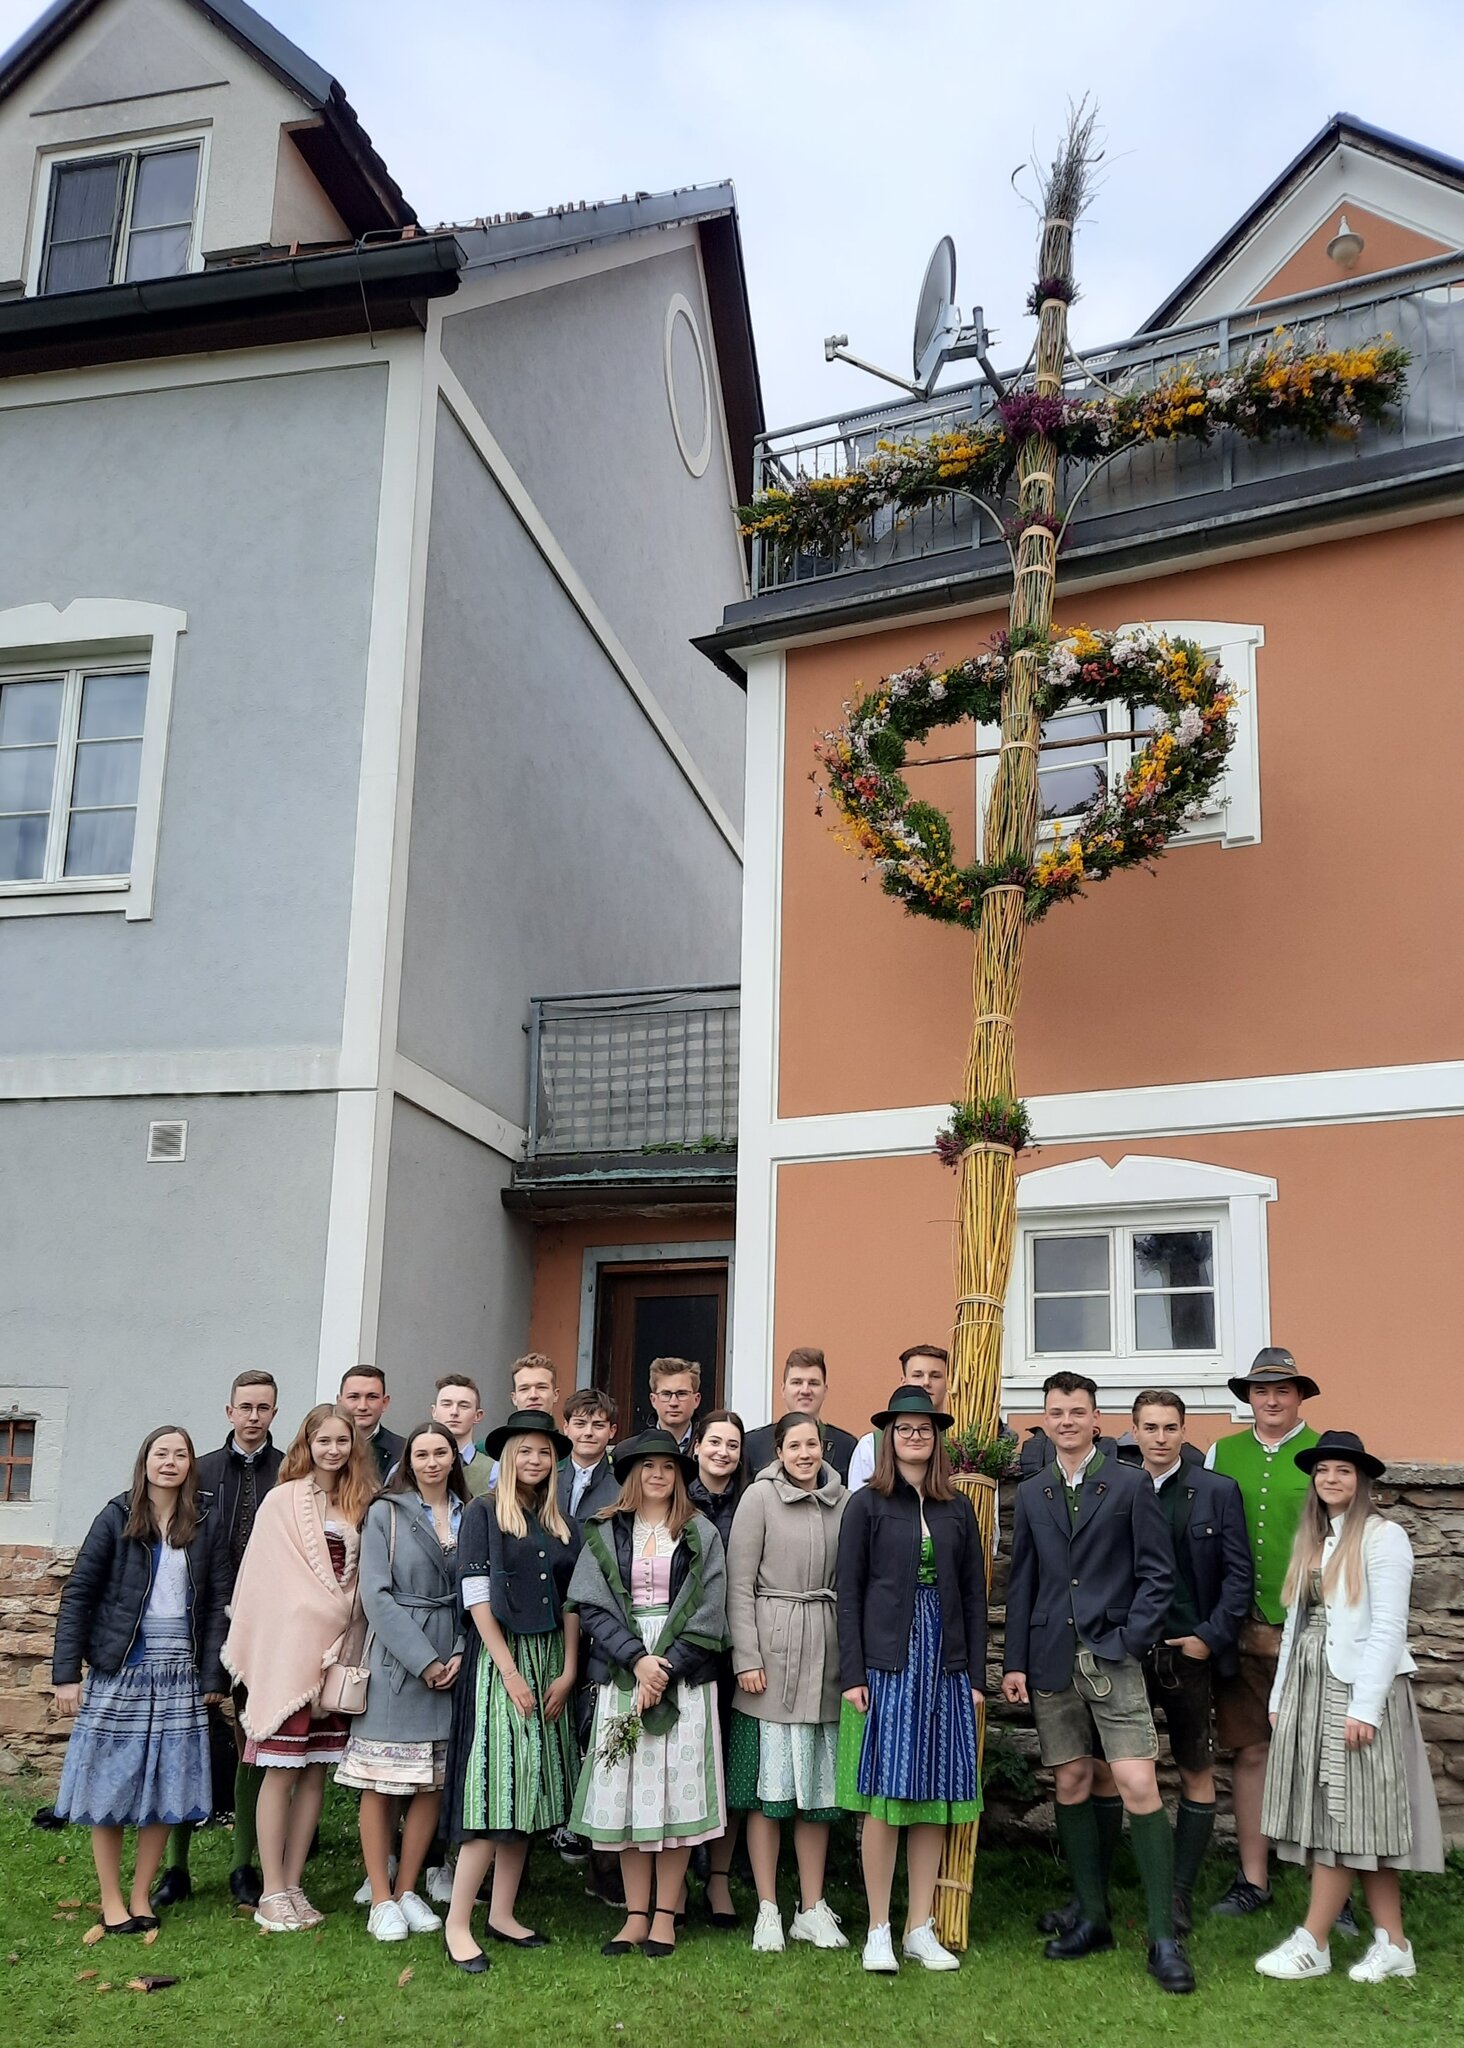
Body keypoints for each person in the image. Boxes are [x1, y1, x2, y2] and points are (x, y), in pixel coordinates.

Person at [1002, 1372, 1194, 1995]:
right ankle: (1092, 1916)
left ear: (1095, 1419)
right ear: (1046, 1419)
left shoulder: (1131, 1484)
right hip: (1054, 1657)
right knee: (1072, 1778)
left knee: (1138, 1781)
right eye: (1055, 1412)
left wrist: (1132, 1639)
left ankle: (1164, 1937)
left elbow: (1157, 1575)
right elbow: (1024, 1580)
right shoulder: (1032, 1493)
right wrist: (1016, 1662)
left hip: (1112, 1654)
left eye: (1077, 1412)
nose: (1065, 1421)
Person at [1255, 1432, 1444, 1983]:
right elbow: (1296, 1626)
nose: (1331, 1479)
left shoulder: (1384, 1538)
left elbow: (1387, 1627)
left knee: (1345, 1813)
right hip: (1311, 1687)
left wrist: (1364, 1707)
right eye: (1323, 1471)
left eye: (1343, 1470)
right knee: (1353, 1816)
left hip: (1360, 1689)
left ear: (1362, 1480)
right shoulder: (1316, 1538)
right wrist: (1279, 1696)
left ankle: (1313, 1942)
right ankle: (1394, 1943)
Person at [51, 1427, 229, 1936]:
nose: (169, 1462)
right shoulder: (115, 1516)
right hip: (122, 1668)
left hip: (181, 1673)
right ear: (145, 1460)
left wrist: (212, 1673)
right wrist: (67, 1675)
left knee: (167, 1786)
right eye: (160, 1453)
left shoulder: (204, 1522)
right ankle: (111, 1900)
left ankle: (140, 1894)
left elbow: (218, 1600)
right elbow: (79, 1595)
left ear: (190, 1464)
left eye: (180, 1454)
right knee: (108, 1785)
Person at [835, 1386, 986, 1975]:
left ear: (936, 1437)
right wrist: (853, 1673)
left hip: (944, 1665)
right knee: (886, 1797)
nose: (915, 1436)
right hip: (888, 1664)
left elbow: (974, 1596)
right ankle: (877, 1927)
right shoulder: (866, 1506)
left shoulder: (957, 1509)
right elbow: (847, 1594)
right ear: (889, 1437)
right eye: (904, 1429)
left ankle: (919, 1926)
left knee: (935, 1798)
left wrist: (974, 1677)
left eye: (924, 1428)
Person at [566, 1429, 729, 1959]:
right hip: (624, 1669)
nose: (658, 1474)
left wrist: (666, 1670)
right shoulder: (606, 1532)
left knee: (674, 1793)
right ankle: (635, 1914)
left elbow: (710, 1609)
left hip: (684, 1674)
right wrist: (637, 1661)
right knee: (630, 1796)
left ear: (679, 1475)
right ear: (632, 1474)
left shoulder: (699, 1531)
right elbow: (591, 1605)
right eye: (647, 1466)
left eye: (667, 1466)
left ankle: (666, 1915)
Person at [222, 1402, 376, 1932]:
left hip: (341, 1649)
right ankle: (269, 1891)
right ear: (306, 1444)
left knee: (314, 1773)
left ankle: (293, 1883)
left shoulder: (362, 1502)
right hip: (291, 1653)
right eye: (323, 1441)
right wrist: (321, 1610)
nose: (333, 1450)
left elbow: (363, 1582)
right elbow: (268, 1583)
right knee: (280, 1771)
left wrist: (342, 1620)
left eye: (342, 1441)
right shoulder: (281, 1501)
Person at [442, 1409, 582, 1969]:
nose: (535, 1460)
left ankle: (501, 1914)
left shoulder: (559, 1520)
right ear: (508, 1457)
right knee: (494, 1788)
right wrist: (508, 1670)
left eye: (544, 1452)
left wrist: (569, 1670)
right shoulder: (482, 1513)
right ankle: (457, 1923)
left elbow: (574, 1600)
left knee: (530, 1789)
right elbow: (476, 1596)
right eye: (525, 1451)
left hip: (551, 1656)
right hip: (502, 1659)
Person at [154, 1369, 283, 1910]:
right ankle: (175, 1867)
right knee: (185, 1741)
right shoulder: (199, 1470)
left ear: (275, 1413)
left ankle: (241, 1865)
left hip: (267, 1625)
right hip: (200, 1620)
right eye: (244, 1407)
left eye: (263, 1408)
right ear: (229, 1411)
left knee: (254, 1743)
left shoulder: (289, 1471)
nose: (253, 1416)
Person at [1125, 1390, 1253, 1930]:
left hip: (1189, 1653)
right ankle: (1117, 1884)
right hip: (1128, 1652)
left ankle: (1179, 1890)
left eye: (1169, 1427)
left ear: (1184, 1430)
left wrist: (1209, 1636)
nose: (1159, 1438)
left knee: (1195, 1767)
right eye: (1149, 1427)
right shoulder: (1117, 1487)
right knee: (1119, 1769)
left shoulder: (1216, 1491)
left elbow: (1238, 1576)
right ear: (1133, 1431)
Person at [338, 1422, 468, 1943]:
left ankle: (410, 1887)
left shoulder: (470, 1511)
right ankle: (381, 1895)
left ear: (454, 1458)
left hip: (454, 1653)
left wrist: (459, 1651)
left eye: (441, 1453)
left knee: (431, 1783)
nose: (432, 1462)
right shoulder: (385, 1512)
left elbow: (477, 1586)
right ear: (408, 1461)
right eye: (422, 1454)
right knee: (382, 1781)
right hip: (399, 1659)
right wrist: (424, 1659)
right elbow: (377, 1596)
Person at [1204, 1346, 1322, 1916]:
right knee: (1250, 1751)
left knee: (1319, 1756)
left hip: (1311, 1629)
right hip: (1240, 1630)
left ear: (1299, 1395)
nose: (1271, 1400)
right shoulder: (1221, 1453)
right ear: (1247, 1397)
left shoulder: (1325, 1454)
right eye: (1259, 1391)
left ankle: (1333, 1885)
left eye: (1282, 1390)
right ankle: (1253, 1878)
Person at [726, 1412, 849, 1953]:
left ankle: (812, 1907)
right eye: (794, 1445)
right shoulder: (759, 1499)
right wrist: (747, 1657)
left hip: (825, 1652)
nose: (805, 1453)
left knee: (817, 1793)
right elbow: (738, 1583)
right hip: (771, 1659)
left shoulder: (844, 1503)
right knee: (767, 1794)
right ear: (778, 1450)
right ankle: (769, 1909)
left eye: (813, 1444)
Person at [688, 1409, 747, 1926]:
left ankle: (720, 1882)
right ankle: (677, 1878)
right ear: (698, 1446)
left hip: (737, 1651)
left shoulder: (752, 1500)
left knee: (726, 1762)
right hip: (685, 1648)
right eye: (715, 1442)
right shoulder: (677, 1500)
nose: (723, 1452)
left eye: (732, 1445)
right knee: (686, 1762)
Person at [742, 1349, 858, 1484]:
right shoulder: (752, 1444)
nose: (805, 1390)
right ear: (783, 1390)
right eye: (797, 1382)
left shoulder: (847, 1446)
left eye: (813, 1383)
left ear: (825, 1390)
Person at [846, 1344, 949, 1493]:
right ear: (903, 1382)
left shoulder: (961, 1441)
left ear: (948, 1383)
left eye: (935, 1376)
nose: (926, 1382)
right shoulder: (871, 1445)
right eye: (917, 1375)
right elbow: (857, 1502)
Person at [557, 1387, 620, 1526]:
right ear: (566, 1428)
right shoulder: (547, 1480)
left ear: (612, 1431)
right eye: (580, 1424)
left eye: (598, 1425)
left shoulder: (623, 1487)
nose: (588, 1432)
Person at [340, 1366, 404, 1485]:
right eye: (354, 1397)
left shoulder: (403, 1451)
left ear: (385, 1403)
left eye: (372, 1397)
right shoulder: (320, 1449)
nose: (362, 1406)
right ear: (339, 1402)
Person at [430, 1375, 491, 1498]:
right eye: (446, 1404)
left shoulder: (495, 1471)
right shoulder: (408, 1466)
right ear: (434, 1412)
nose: (454, 1412)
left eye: (464, 1406)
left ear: (478, 1415)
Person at [647, 1356, 701, 1453]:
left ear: (696, 1400)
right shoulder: (631, 1449)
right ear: (653, 1400)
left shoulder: (711, 1452)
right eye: (666, 1394)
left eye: (682, 1394)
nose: (673, 1403)